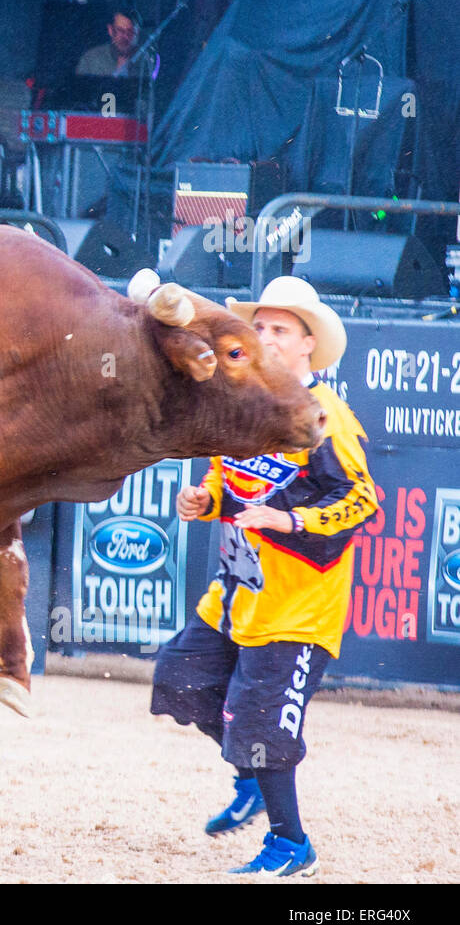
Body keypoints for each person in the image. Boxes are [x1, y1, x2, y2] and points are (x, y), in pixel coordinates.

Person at [151, 276, 378, 877]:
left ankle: (290, 843)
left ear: (308, 346)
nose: (268, 338)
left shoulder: (325, 413)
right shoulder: (246, 403)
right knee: (179, 681)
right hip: (236, 594)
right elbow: (242, 489)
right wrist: (208, 499)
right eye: (262, 328)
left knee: (259, 721)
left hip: (297, 607)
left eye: (282, 330)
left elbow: (361, 500)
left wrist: (290, 518)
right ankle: (251, 777)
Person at [75, 10, 140, 77]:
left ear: (138, 33)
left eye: (130, 32)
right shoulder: (91, 60)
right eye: (120, 30)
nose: (125, 37)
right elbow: (78, 86)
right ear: (110, 30)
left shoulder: (148, 62)